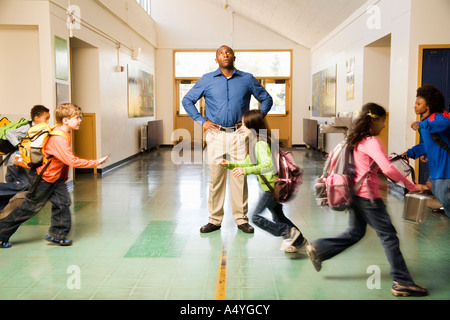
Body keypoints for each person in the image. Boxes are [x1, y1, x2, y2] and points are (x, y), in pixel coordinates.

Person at [306, 103, 429, 297]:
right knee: (389, 236)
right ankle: (402, 282)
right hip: (368, 198)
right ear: (374, 121)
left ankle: (319, 249)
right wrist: (412, 186)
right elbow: (388, 169)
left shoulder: (355, 139)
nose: (384, 126)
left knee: (356, 232)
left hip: (354, 194)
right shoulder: (371, 141)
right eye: (383, 121)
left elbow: (365, 166)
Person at [182, 45, 273, 234]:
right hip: (216, 135)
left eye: (228, 52)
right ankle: (214, 220)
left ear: (234, 57)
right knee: (216, 178)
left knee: (239, 176)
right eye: (221, 53)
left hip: (240, 135)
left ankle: (241, 220)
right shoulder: (207, 80)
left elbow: (267, 99)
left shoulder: (247, 79)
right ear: (216, 60)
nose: (225, 55)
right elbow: (187, 101)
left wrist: (253, 119)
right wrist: (201, 120)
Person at [0, 103, 108, 248]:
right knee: (30, 208)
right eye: (77, 117)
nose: (80, 120)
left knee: (63, 202)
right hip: (42, 178)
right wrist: (96, 162)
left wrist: (62, 178)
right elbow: (71, 160)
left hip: (54, 177)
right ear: (65, 120)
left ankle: (58, 235)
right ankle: (2, 232)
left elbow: (61, 161)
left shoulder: (63, 133)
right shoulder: (59, 138)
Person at [218, 110, 307, 252]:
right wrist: (229, 165)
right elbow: (248, 163)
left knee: (256, 217)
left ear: (253, 127)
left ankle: (288, 233)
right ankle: (300, 242)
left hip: (271, 188)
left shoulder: (260, 144)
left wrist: (245, 171)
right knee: (279, 217)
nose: (241, 128)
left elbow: (268, 165)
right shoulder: (256, 142)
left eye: (244, 126)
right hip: (273, 186)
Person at [401, 85, 450, 217]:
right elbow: (424, 145)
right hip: (436, 168)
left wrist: (421, 124)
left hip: (446, 167)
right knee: (431, 185)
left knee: (443, 194)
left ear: (428, 106)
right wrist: (409, 153)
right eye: (415, 103)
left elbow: (446, 122)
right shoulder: (424, 123)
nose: (415, 106)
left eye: (418, 103)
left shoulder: (437, 117)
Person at [0, 105, 50, 208]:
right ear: (36, 119)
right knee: (25, 185)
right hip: (16, 160)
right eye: (46, 119)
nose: (47, 122)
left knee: (12, 189)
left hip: (18, 161)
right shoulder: (28, 128)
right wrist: (19, 145)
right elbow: (9, 133)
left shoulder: (37, 129)